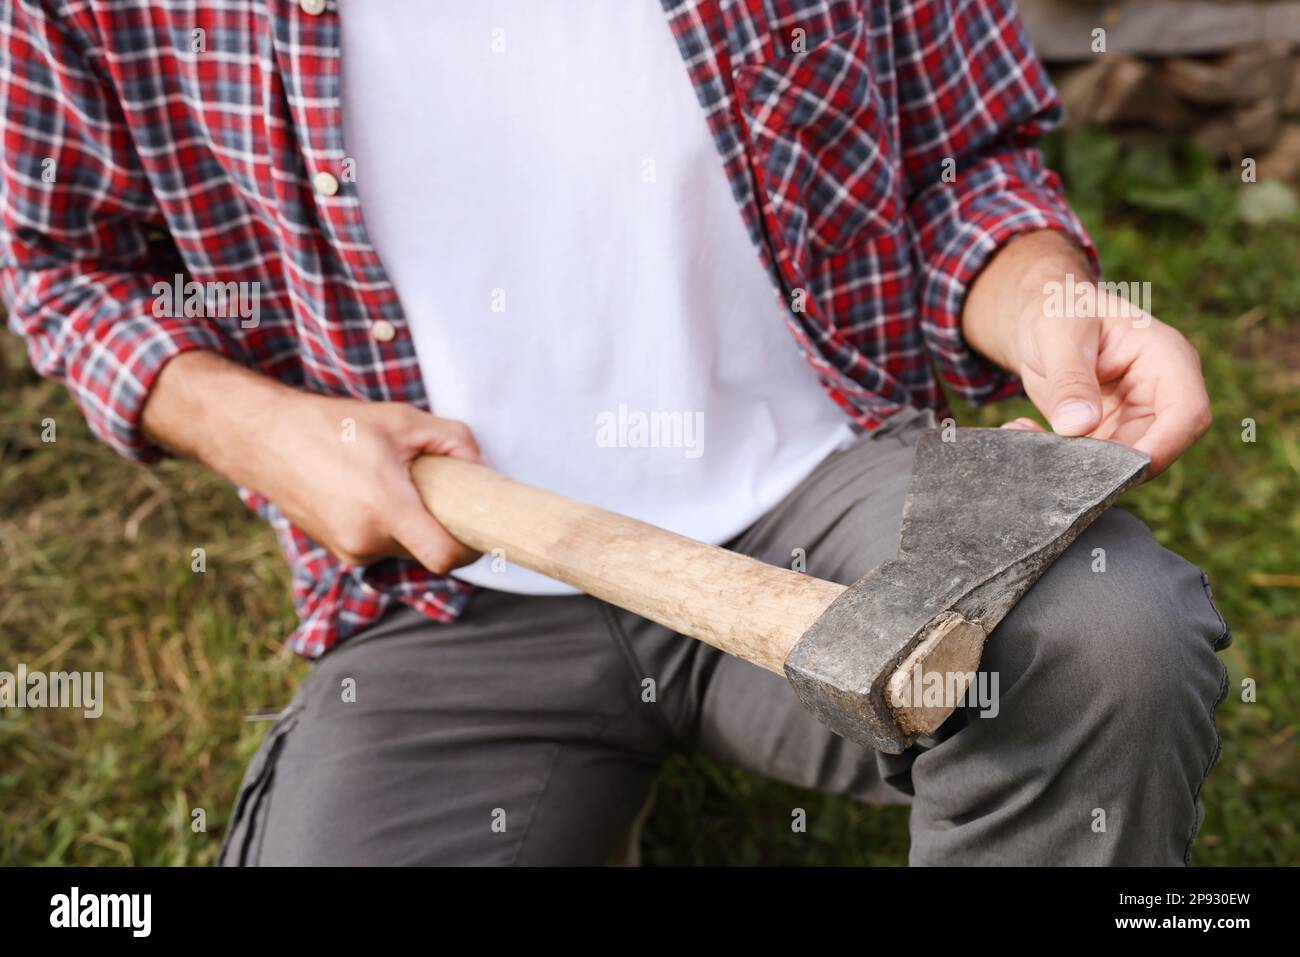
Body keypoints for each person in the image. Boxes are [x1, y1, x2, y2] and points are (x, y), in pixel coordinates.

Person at [1, 0, 1230, 865]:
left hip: (818, 503)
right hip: (447, 583)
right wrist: (258, 424)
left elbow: (965, 163)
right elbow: (59, 265)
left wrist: (1044, 299)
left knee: (1103, 640)